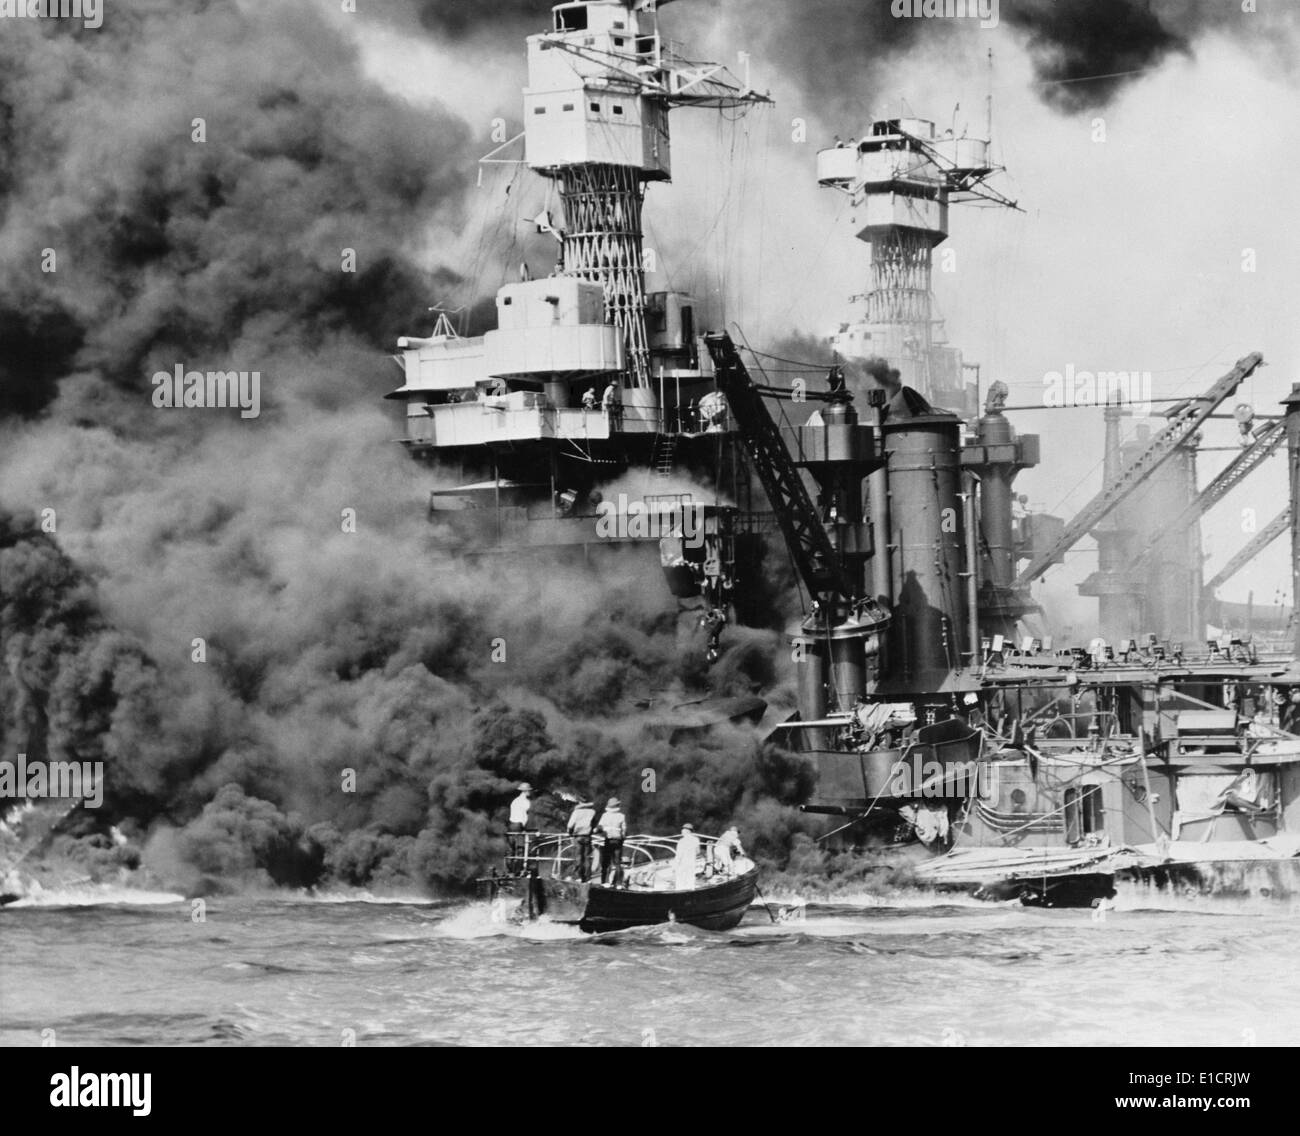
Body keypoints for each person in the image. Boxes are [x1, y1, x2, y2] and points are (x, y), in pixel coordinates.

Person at [596, 797, 626, 886]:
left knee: (606, 862)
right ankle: (619, 883)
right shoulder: (621, 816)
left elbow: (600, 827)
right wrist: (622, 838)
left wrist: (596, 830)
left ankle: (605, 882)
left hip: (608, 840)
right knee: (617, 863)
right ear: (617, 805)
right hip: (618, 841)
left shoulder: (605, 816)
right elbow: (624, 830)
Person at [566, 798, 596, 882]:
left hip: (578, 836)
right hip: (587, 836)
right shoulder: (592, 812)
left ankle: (578, 876)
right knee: (587, 857)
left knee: (578, 857)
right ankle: (588, 878)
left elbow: (570, 825)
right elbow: (594, 824)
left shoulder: (576, 812)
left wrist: (569, 833)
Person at [673, 823, 699, 890]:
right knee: (690, 882)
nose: (681, 831)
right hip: (691, 864)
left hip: (683, 864)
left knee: (680, 883)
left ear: (686, 831)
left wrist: (675, 866)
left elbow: (679, 855)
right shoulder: (696, 840)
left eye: (682, 830)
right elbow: (698, 852)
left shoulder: (681, 841)